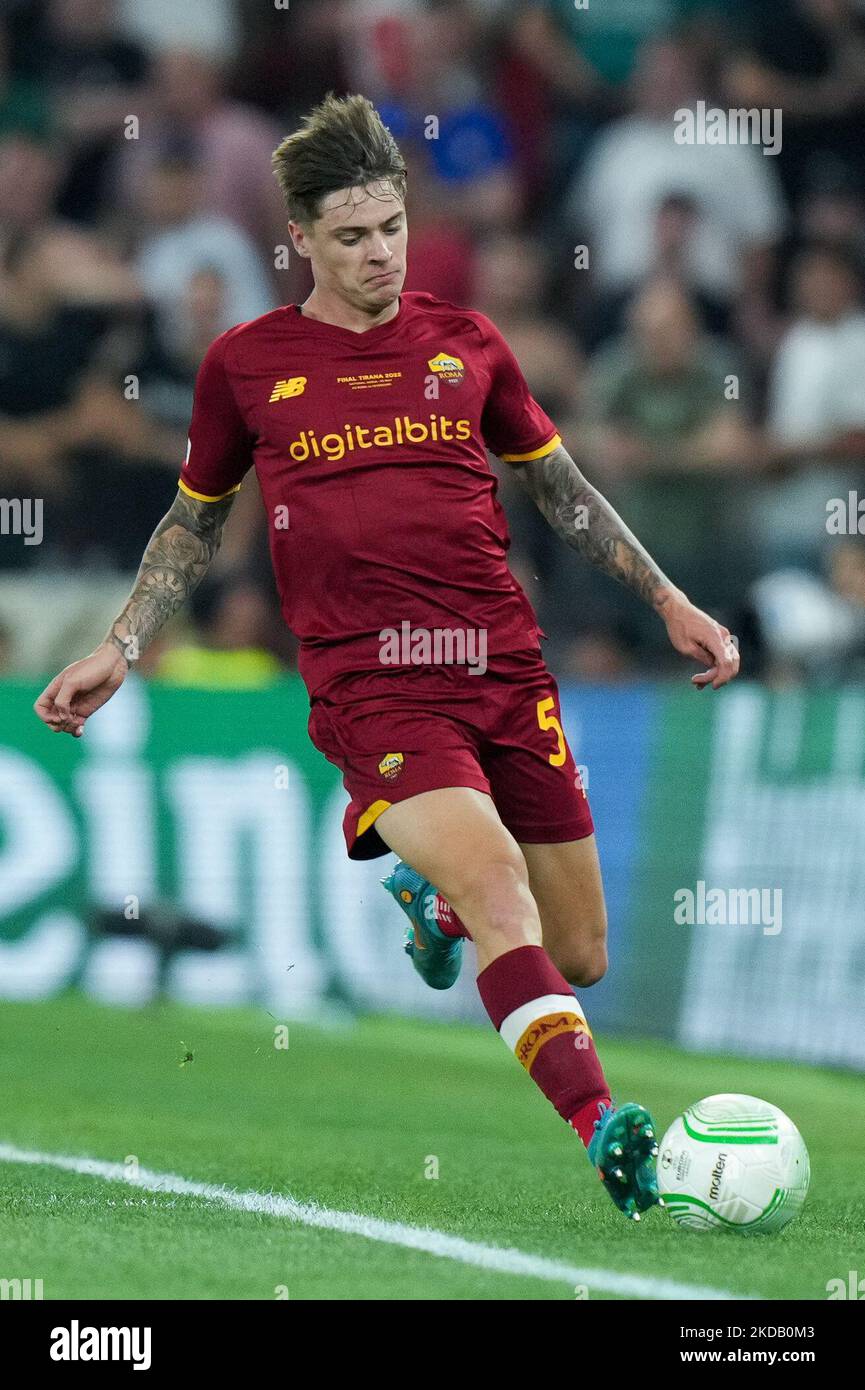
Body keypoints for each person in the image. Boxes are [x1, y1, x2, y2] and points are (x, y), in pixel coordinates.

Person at [35, 94, 739, 1221]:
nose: (377, 254)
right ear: (301, 238)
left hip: (506, 668)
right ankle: (605, 1123)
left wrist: (668, 599)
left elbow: (559, 492)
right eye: (352, 235)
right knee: (501, 885)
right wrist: (121, 643)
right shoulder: (248, 365)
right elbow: (192, 521)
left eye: (392, 229)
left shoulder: (468, 346)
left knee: (583, 952)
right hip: (375, 689)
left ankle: (434, 903)